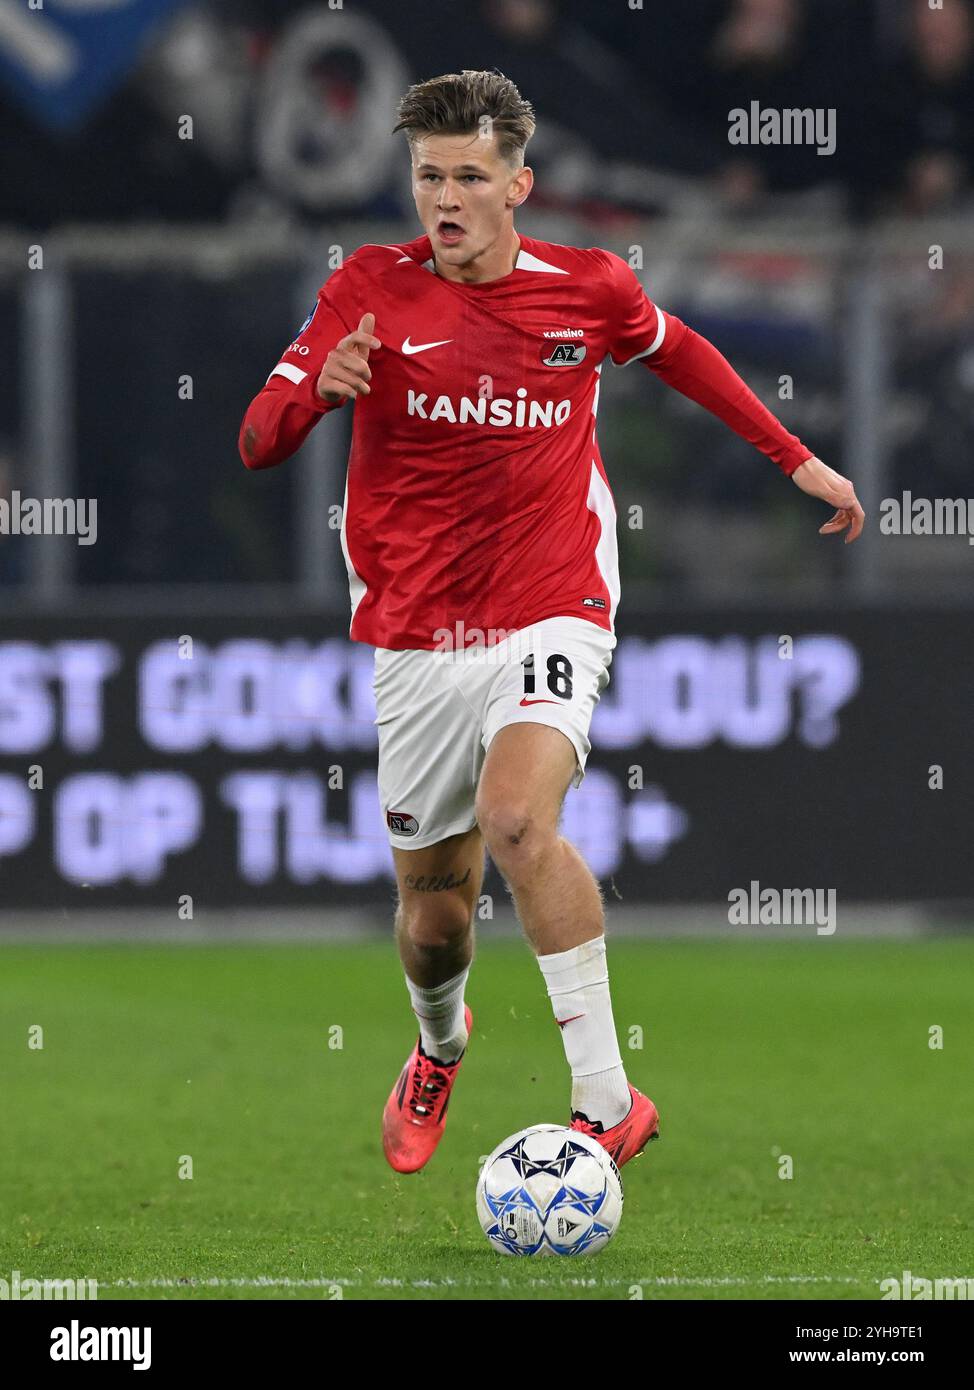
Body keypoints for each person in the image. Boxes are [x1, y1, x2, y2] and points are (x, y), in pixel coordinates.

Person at [239, 69, 864, 1175]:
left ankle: (606, 1101)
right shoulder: (366, 291)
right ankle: (440, 1045)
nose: (445, 195)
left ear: (518, 184)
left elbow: (682, 355)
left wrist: (798, 461)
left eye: (468, 175)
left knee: (517, 821)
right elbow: (255, 439)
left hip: (551, 601)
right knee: (434, 921)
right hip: (416, 628)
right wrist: (315, 392)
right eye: (428, 175)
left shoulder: (589, 289)